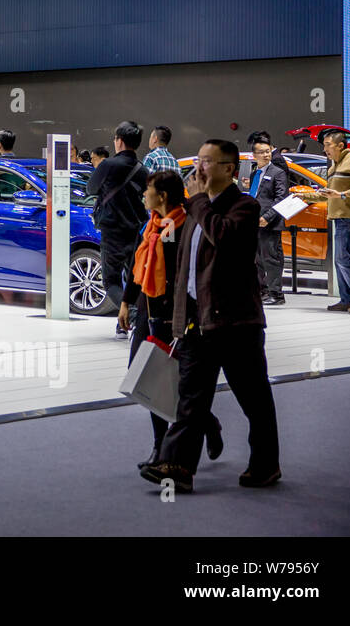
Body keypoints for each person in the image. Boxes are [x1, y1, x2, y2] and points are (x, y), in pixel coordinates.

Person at [143, 139, 280, 493]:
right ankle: (177, 468)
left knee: (254, 399)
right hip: (197, 321)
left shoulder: (244, 207)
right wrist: (177, 319)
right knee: (190, 398)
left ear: (229, 169)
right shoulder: (194, 210)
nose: (199, 168)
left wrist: (199, 201)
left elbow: (225, 236)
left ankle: (265, 465)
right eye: (199, 160)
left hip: (237, 323)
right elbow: (185, 269)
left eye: (207, 162)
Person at [119, 170, 222, 470]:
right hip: (146, 309)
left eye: (147, 190)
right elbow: (137, 265)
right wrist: (126, 302)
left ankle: (163, 447)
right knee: (143, 374)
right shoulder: (150, 225)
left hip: (172, 314)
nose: (143, 195)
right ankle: (207, 422)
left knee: (172, 380)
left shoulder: (185, 226)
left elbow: (187, 276)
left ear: (162, 197)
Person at [86, 121, 149, 335]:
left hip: (112, 231)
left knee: (110, 280)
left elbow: (90, 188)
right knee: (134, 279)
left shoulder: (108, 165)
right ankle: (128, 322)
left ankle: (130, 315)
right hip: (137, 232)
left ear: (119, 141)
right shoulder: (143, 169)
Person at [316, 131, 350, 312]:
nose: (325, 149)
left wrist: (343, 194)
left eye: (328, 145)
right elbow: (329, 195)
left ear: (340, 145)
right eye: (324, 145)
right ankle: (347, 299)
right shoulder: (333, 168)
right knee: (340, 260)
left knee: (343, 259)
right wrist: (303, 196)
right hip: (340, 218)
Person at [249, 138, 289, 306]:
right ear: (254, 155)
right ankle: (262, 291)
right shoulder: (254, 173)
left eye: (268, 151)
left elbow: (281, 198)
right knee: (256, 259)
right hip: (254, 222)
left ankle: (276, 294)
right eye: (262, 152)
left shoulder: (277, 172)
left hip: (269, 223)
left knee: (271, 258)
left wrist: (267, 217)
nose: (266, 155)